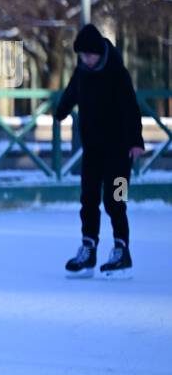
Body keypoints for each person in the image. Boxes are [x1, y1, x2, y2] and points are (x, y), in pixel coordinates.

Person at [55, 23, 145, 278]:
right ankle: (89, 247)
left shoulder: (118, 73)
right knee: (88, 198)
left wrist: (136, 141)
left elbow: (131, 108)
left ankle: (121, 250)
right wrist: (61, 110)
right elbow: (72, 91)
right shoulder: (83, 71)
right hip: (92, 149)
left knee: (116, 199)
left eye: (88, 55)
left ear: (98, 52)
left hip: (120, 152)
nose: (85, 60)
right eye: (81, 56)